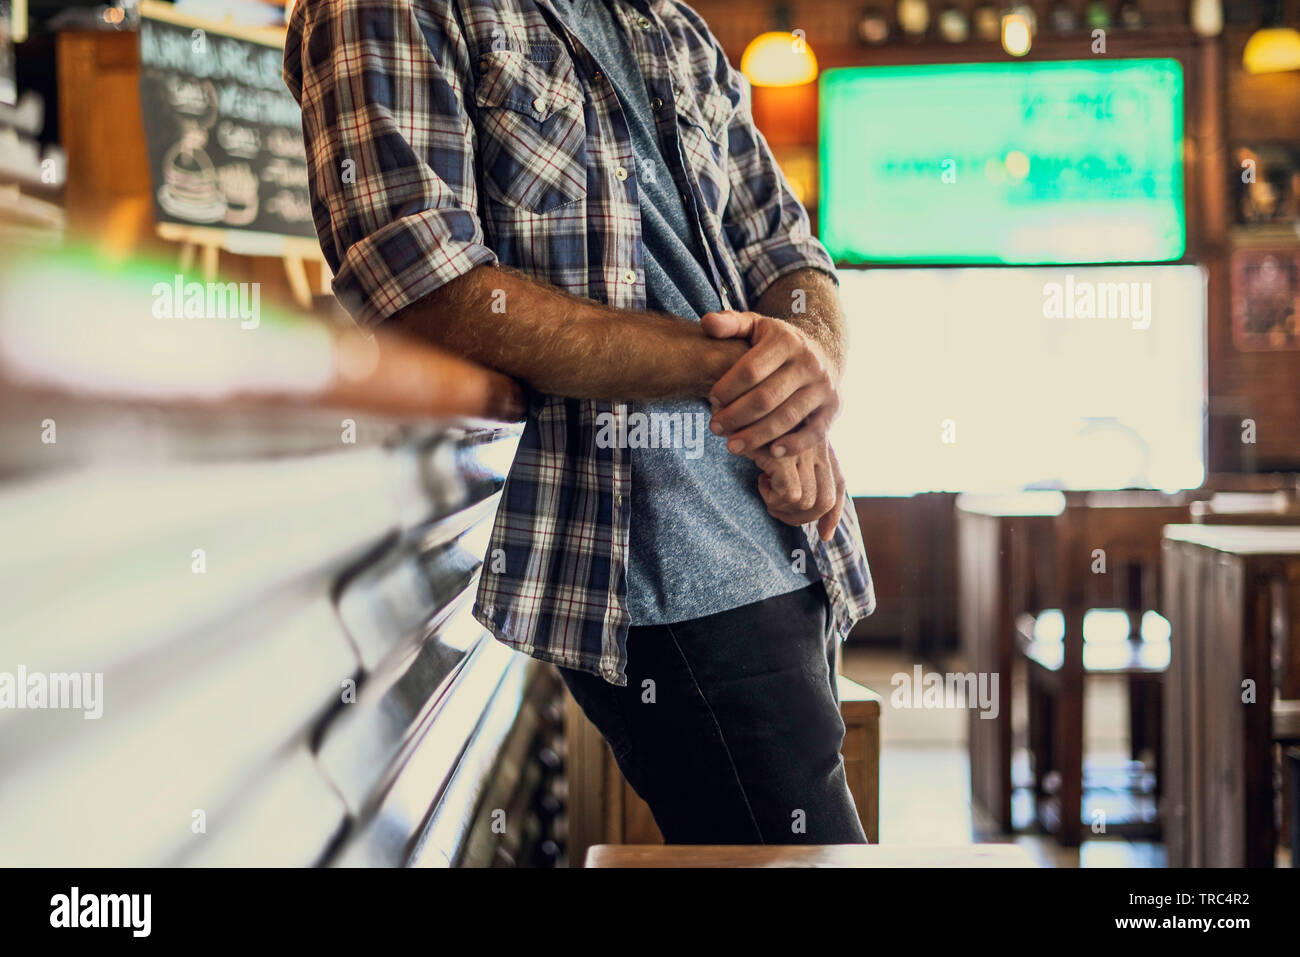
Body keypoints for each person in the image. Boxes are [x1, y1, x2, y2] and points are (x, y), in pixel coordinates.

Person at [284, 0, 875, 844]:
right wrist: (737, 372)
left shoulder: (668, 22)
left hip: (794, 538)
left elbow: (785, 250)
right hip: (657, 559)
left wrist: (809, 361)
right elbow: (419, 283)